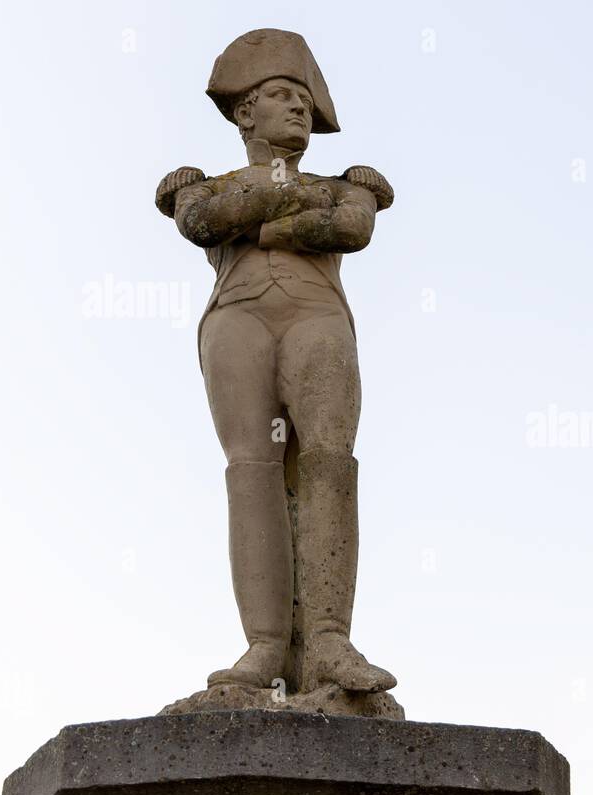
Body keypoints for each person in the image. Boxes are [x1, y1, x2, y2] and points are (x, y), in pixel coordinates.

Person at [159, 29, 397, 695]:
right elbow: (204, 221)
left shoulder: (346, 187)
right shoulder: (210, 188)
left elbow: (352, 228)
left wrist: (263, 218)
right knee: (252, 469)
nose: (296, 109)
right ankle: (264, 646)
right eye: (279, 96)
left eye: (302, 98)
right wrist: (288, 200)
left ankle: (328, 640)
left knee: (327, 458)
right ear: (244, 113)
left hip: (317, 317)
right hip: (237, 320)